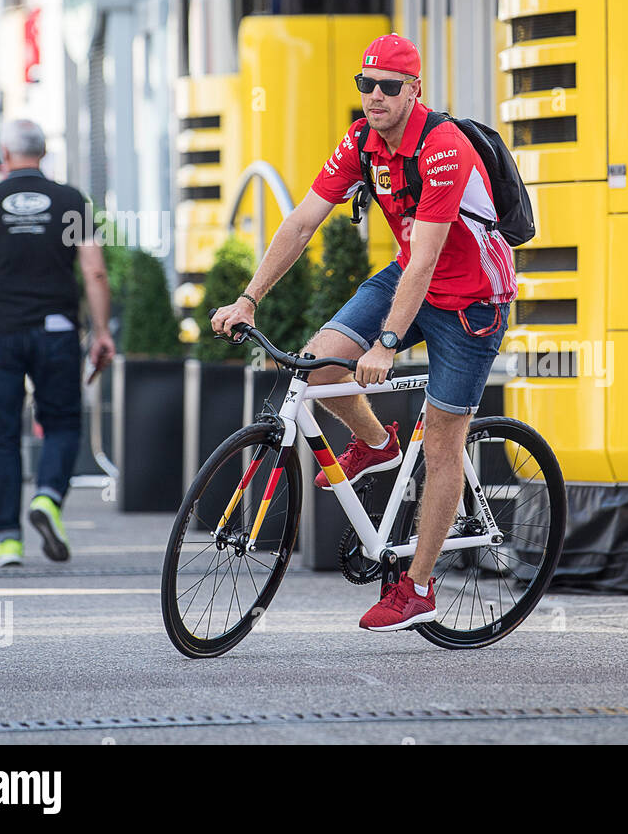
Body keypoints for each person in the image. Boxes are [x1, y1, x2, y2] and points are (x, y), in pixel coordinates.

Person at [211, 33, 515, 631]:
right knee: (318, 362)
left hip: (470, 299)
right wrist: (248, 298)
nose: (374, 97)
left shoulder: (443, 146)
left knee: (445, 443)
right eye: (365, 84)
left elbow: (429, 256)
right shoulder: (361, 142)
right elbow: (300, 224)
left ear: (415, 90)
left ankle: (419, 587)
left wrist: (388, 344)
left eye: (388, 87)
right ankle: (377, 445)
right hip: (408, 277)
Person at [0, 119, 115, 566]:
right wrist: (101, 332)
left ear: (5, 152)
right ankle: (48, 497)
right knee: (61, 424)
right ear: (43, 152)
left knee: (1, 434)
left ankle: (8, 540)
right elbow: (94, 270)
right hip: (56, 329)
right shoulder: (71, 199)